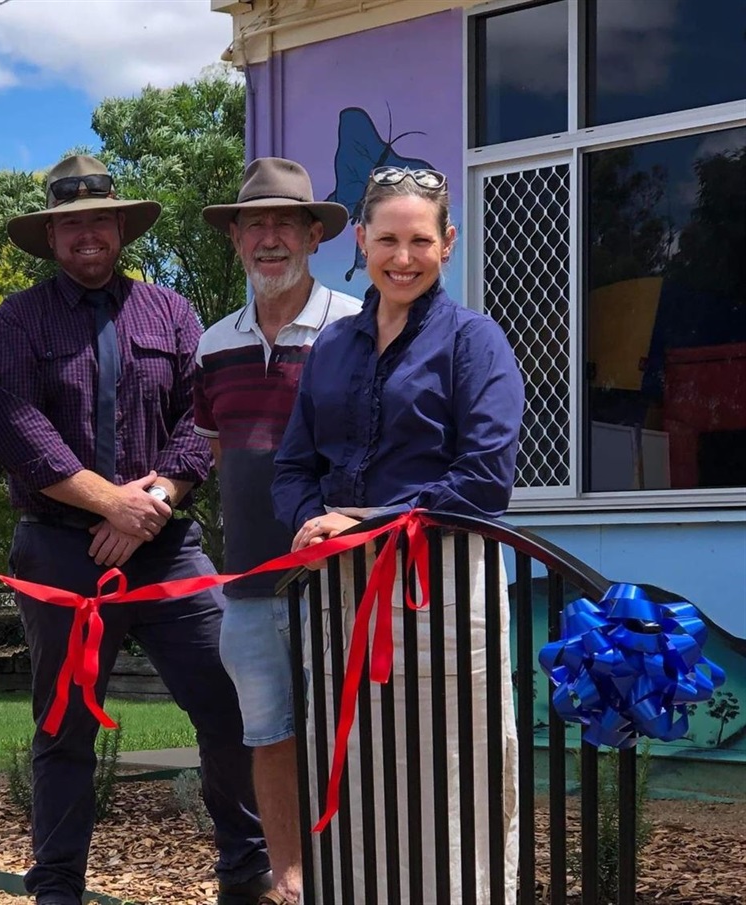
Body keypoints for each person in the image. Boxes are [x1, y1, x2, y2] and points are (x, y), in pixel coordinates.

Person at [0, 155, 272, 905]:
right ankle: (58, 887)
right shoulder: (18, 320)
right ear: (51, 235)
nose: (87, 235)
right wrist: (111, 504)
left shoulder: (171, 314)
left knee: (227, 702)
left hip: (166, 545)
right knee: (64, 725)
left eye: (99, 220)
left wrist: (152, 505)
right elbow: (17, 429)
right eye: (70, 223)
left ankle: (248, 869)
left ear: (120, 227)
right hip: (58, 547)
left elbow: (198, 422)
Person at [271, 165, 525, 904]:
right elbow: (293, 466)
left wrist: (366, 520)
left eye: (420, 239)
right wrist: (312, 525)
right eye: (388, 238)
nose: (403, 256)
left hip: (441, 592)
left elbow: (486, 478)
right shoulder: (331, 347)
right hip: (342, 595)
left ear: (448, 243)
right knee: (353, 782)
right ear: (360, 241)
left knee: (453, 787)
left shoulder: (476, 341)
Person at [195, 157, 362, 905]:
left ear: (312, 236)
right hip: (251, 578)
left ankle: (355, 873)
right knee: (266, 731)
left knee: (349, 732)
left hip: (340, 578)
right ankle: (291, 881)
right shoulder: (211, 345)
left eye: (285, 223)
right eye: (254, 222)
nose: (270, 238)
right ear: (234, 237)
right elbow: (210, 447)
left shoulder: (356, 329)